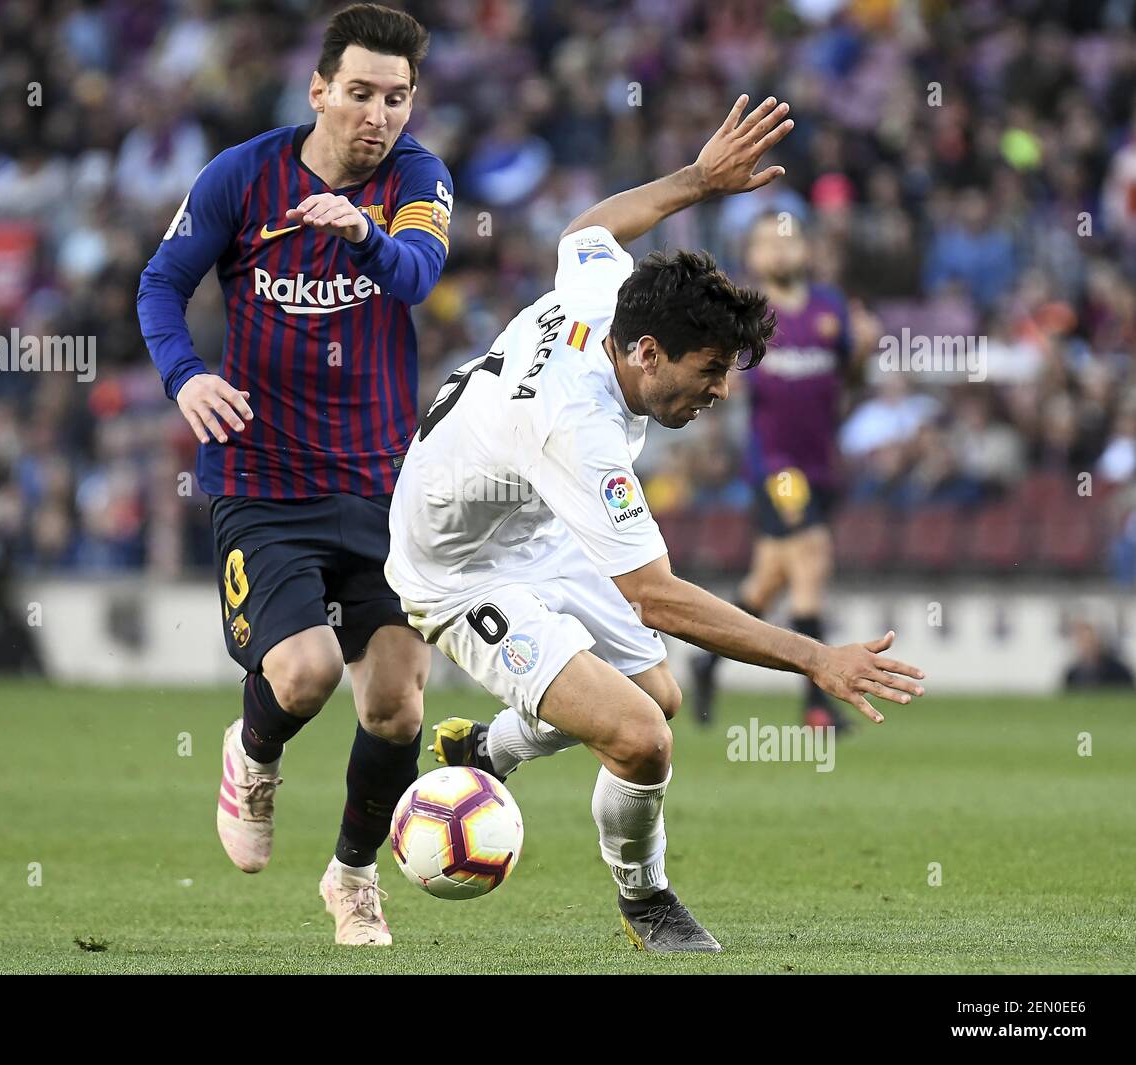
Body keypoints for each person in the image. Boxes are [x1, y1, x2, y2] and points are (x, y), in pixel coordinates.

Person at [386, 96, 926, 952]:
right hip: (457, 569)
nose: (721, 392)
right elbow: (658, 599)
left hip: (531, 519)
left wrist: (699, 181)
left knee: (661, 694)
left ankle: (490, 749)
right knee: (643, 736)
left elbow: (588, 228)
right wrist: (816, 657)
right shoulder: (579, 428)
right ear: (646, 353)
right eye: (709, 370)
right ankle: (647, 900)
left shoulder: (609, 295)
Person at [137, 4, 453, 946]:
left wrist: (361, 233)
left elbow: (416, 274)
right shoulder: (241, 176)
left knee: (396, 701)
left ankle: (353, 877)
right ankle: (254, 750)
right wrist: (186, 376)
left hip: (382, 482)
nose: (378, 115)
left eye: (396, 97)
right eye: (360, 93)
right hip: (263, 477)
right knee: (307, 671)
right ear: (318, 90)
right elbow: (160, 284)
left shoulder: (418, 179)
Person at [690, 211, 876, 729]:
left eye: (787, 240)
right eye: (767, 242)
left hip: (822, 465)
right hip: (776, 468)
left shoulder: (830, 307)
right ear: (752, 256)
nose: (778, 250)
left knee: (769, 579)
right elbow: (720, 378)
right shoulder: (748, 316)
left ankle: (707, 662)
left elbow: (851, 376)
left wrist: (863, 349)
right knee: (812, 556)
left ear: (806, 250)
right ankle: (817, 703)